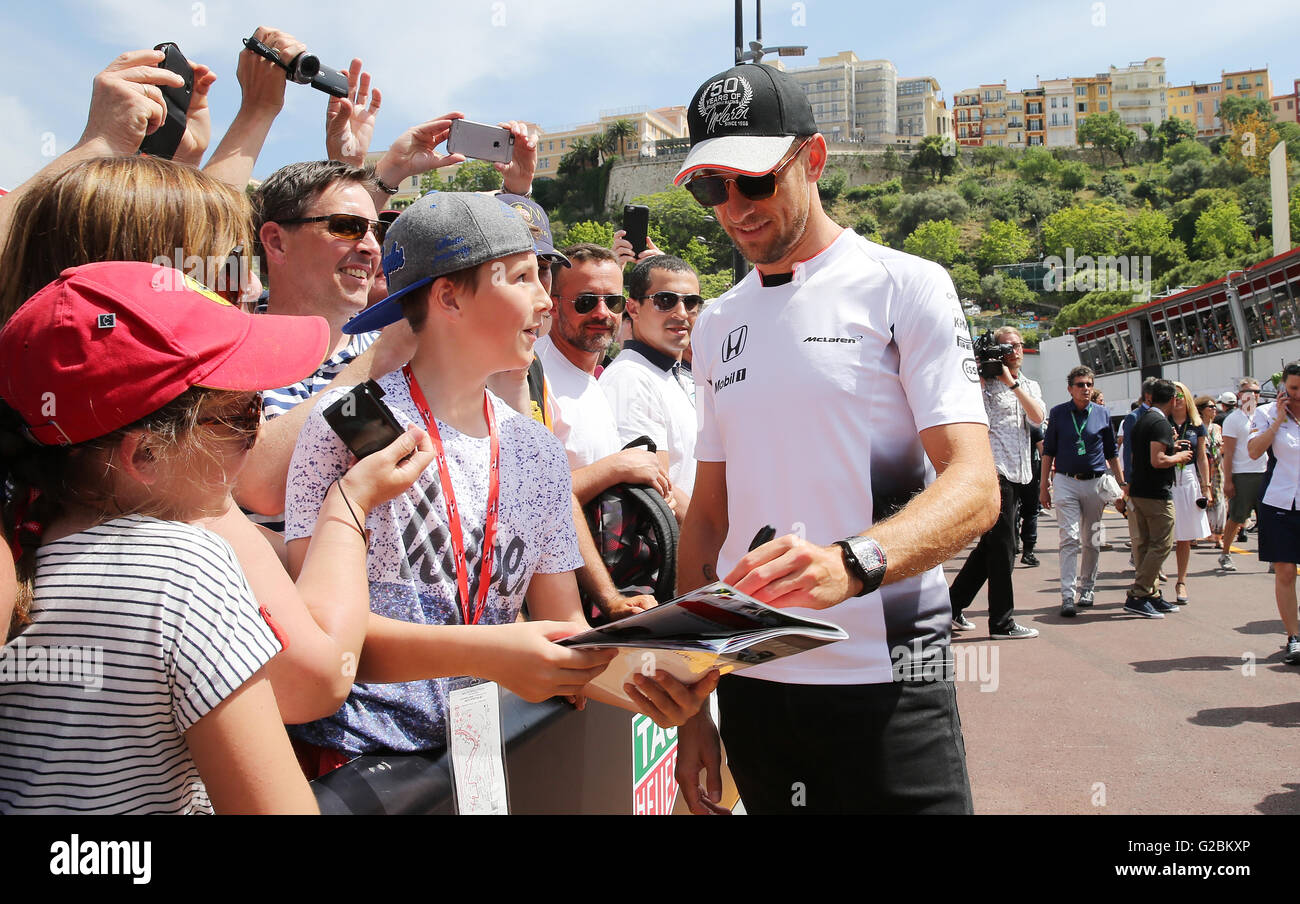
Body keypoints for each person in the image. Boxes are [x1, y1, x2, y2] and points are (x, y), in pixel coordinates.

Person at [285, 194, 714, 773]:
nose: (545, 300)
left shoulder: (535, 450)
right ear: (447, 297)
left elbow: (564, 633)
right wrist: (494, 653)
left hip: (480, 751)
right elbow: (320, 637)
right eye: (522, 278)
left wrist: (654, 681)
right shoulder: (348, 424)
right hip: (352, 760)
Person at [669, 63, 998, 815]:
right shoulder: (716, 321)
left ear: (813, 160)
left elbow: (975, 486)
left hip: (888, 680)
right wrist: (694, 709)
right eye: (710, 188)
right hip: (755, 686)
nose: (734, 209)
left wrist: (853, 564)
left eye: (753, 181)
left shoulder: (906, 285)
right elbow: (709, 523)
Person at [0, 155, 423, 725]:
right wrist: (347, 508)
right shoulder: (187, 508)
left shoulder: (48, 448)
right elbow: (319, 678)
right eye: (212, 267)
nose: (246, 284)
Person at [0, 261, 334, 813]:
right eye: (245, 415)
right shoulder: (180, 568)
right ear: (147, 454)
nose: (258, 438)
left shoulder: (20, 535)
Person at [534, 243, 674, 505]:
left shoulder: (591, 378)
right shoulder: (530, 377)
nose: (602, 313)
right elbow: (530, 492)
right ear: (553, 306)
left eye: (613, 301)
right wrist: (616, 467)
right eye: (585, 302)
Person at [948, 327, 1044, 637]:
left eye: (1018, 345)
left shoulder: (1028, 385)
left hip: (1021, 474)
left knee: (989, 549)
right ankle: (1002, 623)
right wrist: (979, 371)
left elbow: (1038, 417)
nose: (1015, 351)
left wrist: (1012, 383)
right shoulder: (981, 385)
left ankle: (950, 606)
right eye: (1007, 346)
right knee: (1004, 547)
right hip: (994, 473)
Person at [600, 255, 702, 517]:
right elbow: (656, 488)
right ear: (633, 309)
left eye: (691, 302)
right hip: (676, 549)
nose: (681, 313)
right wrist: (714, 542)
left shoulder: (673, 374)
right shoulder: (630, 378)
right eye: (665, 301)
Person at [1040, 366, 1123, 617]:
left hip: (1096, 483)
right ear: (1070, 389)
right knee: (1069, 538)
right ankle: (1067, 594)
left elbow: (1111, 453)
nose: (1085, 389)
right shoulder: (1058, 414)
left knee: (1092, 539)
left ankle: (1087, 588)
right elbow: (1048, 452)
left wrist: (1122, 485)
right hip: (1066, 480)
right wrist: (1044, 486)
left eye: (1088, 384)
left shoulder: (1102, 413)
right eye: (1080, 385)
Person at [1124, 379, 1194, 617]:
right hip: (1156, 493)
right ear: (1173, 400)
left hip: (1140, 490)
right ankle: (1139, 592)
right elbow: (1158, 460)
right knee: (1162, 543)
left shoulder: (1142, 419)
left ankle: (1150, 593)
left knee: (1145, 544)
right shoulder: (1160, 423)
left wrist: (1172, 448)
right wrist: (1180, 456)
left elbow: (1144, 455)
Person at [1245, 363, 1300, 664]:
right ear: (1282, 389)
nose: (1298, 395)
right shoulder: (1266, 413)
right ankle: (1294, 636)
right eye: (1293, 389)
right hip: (1280, 502)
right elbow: (1254, 451)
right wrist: (1279, 420)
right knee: (1286, 571)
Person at [1168, 382, 1210, 603]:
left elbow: (1202, 457)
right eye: (1172, 394)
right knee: (1162, 535)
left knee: (1184, 536)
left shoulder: (1196, 424)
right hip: (1166, 476)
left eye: (1179, 394)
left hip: (1189, 477)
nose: (1176, 398)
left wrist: (1207, 487)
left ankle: (1181, 581)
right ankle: (1152, 576)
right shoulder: (1162, 422)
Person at [1220, 377, 1267, 570]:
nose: (1253, 395)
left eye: (1256, 392)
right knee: (1237, 516)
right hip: (1243, 474)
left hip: (1265, 472)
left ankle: (1273, 558)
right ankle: (1225, 553)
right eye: (1249, 392)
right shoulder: (1233, 419)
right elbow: (1228, 453)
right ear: (1240, 395)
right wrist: (1228, 481)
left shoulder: (1264, 415)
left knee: (1267, 518)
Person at [1197, 395, 1226, 546]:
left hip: (1217, 466)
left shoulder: (1217, 428)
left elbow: (1223, 447)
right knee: (1201, 500)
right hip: (1202, 467)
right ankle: (1195, 533)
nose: (1214, 409)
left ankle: (1218, 535)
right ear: (1201, 410)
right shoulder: (1196, 426)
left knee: (1219, 500)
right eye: (1210, 407)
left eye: (1215, 407)